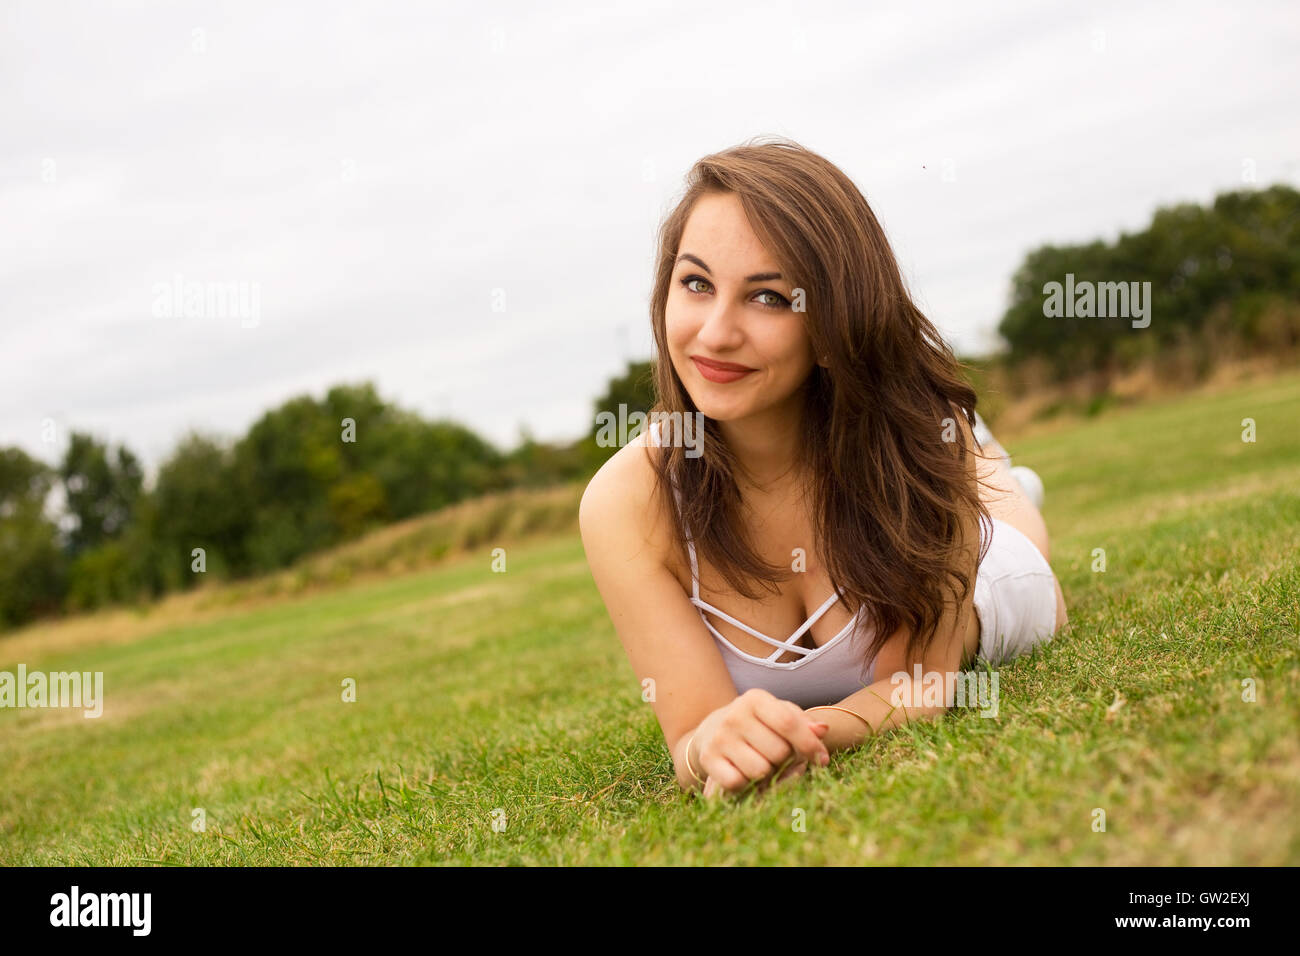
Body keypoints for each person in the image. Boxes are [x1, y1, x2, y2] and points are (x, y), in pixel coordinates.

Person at [579, 138, 1067, 799]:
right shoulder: (625, 501)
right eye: (696, 284)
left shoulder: (910, 451)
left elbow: (922, 684)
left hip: (997, 574)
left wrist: (819, 729)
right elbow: (691, 733)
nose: (716, 333)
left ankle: (988, 468)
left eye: (769, 298)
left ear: (836, 321)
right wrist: (712, 746)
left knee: (1012, 518)